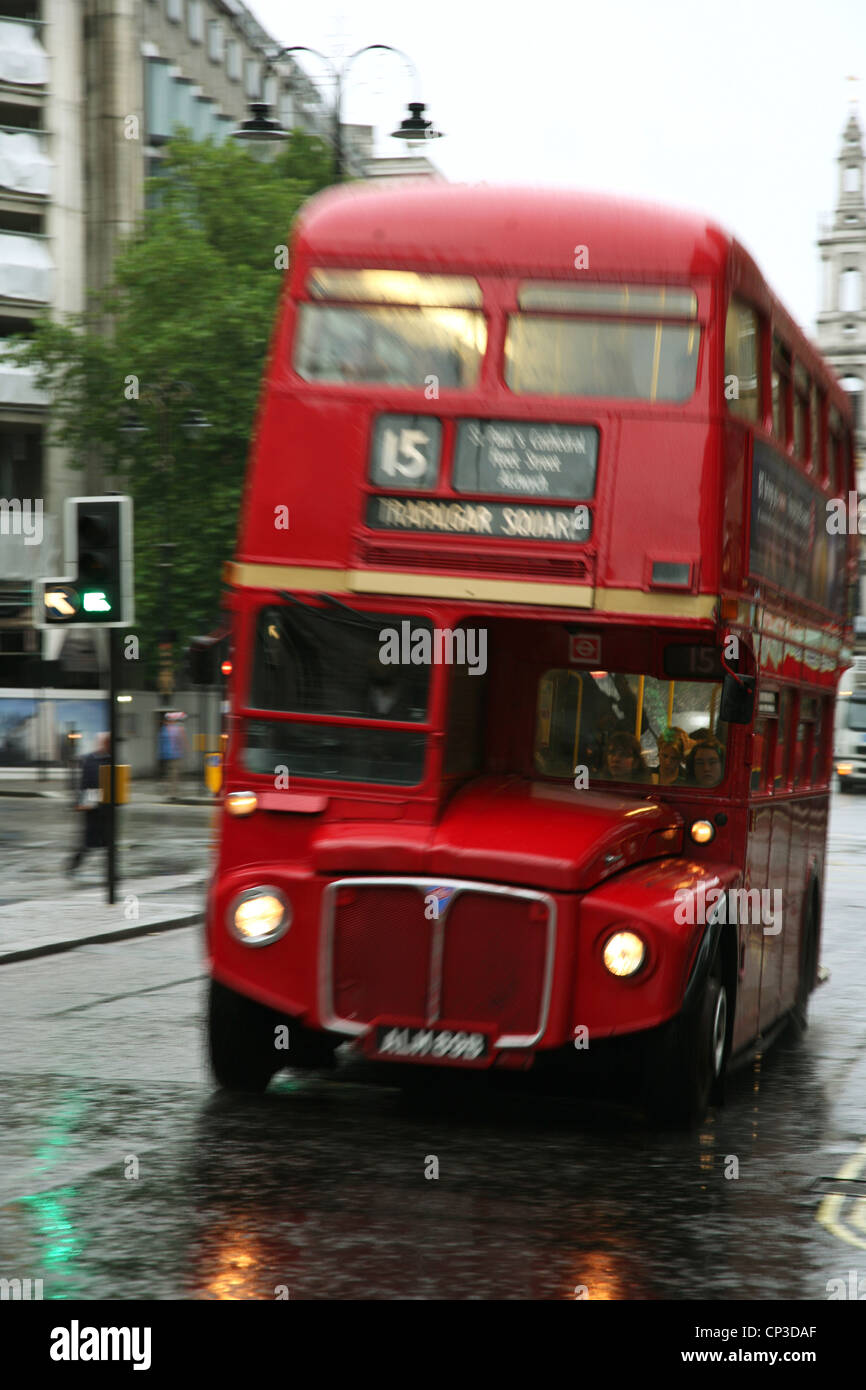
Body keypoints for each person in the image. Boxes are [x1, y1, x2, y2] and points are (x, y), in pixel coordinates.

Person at [67, 732, 110, 878]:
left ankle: (111, 872)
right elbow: (85, 783)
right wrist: (80, 802)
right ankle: (73, 865)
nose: (106, 745)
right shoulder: (90, 759)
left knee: (108, 842)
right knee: (88, 843)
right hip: (92, 803)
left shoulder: (112, 759)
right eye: (105, 742)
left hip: (106, 804)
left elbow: (119, 784)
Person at [159, 713, 186, 797]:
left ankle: (170, 791)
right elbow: (180, 741)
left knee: (170, 774)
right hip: (174, 755)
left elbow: (161, 743)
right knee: (174, 775)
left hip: (167, 755)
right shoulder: (175, 729)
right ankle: (173, 793)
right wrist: (182, 750)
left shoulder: (163, 730)